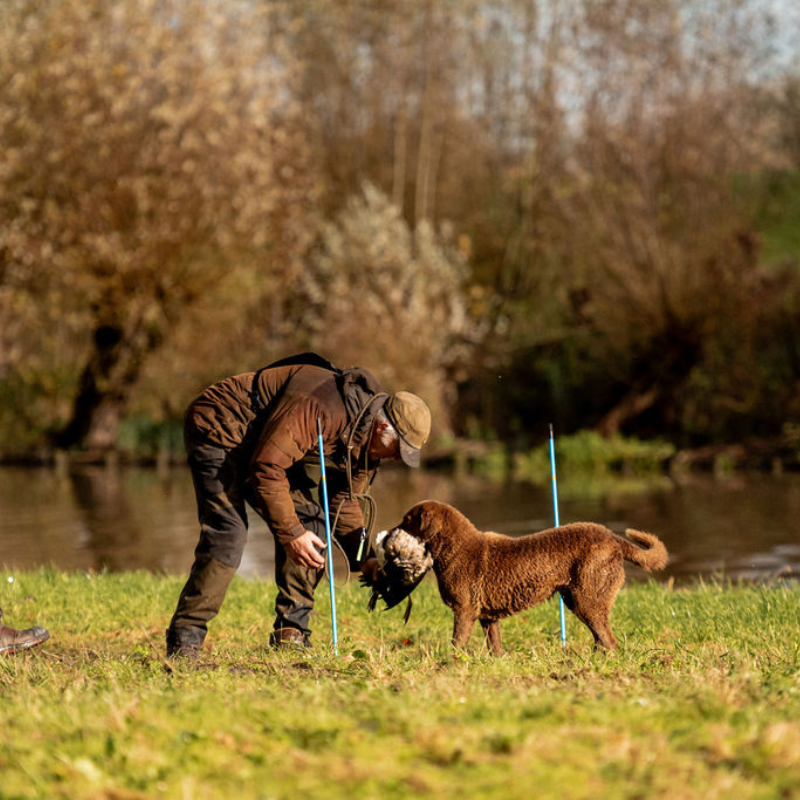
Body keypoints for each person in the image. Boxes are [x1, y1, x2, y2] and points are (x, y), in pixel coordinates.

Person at [166, 352, 431, 658]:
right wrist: (291, 533)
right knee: (229, 531)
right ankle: (185, 639)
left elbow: (344, 503)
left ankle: (290, 634)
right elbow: (267, 467)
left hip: (268, 446)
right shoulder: (323, 406)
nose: (398, 458)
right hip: (221, 426)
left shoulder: (368, 443)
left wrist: (366, 560)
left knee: (311, 526)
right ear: (383, 429)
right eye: (399, 449)